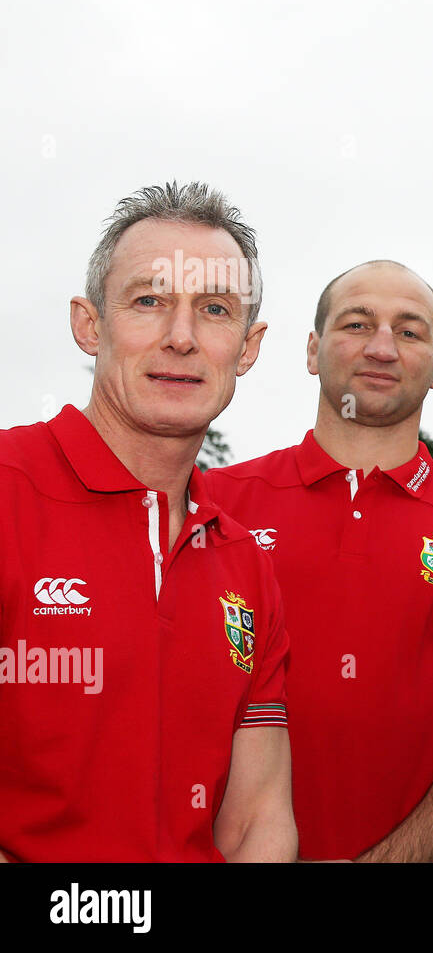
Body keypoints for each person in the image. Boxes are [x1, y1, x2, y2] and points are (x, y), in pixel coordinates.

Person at [0, 181, 295, 862]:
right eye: (150, 301)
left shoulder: (247, 565)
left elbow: (258, 819)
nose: (181, 338)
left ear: (247, 348)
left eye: (214, 309)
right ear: (89, 323)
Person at [206, 259, 433, 861]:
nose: (382, 347)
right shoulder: (213, 505)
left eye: (409, 331)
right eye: (357, 324)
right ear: (312, 351)